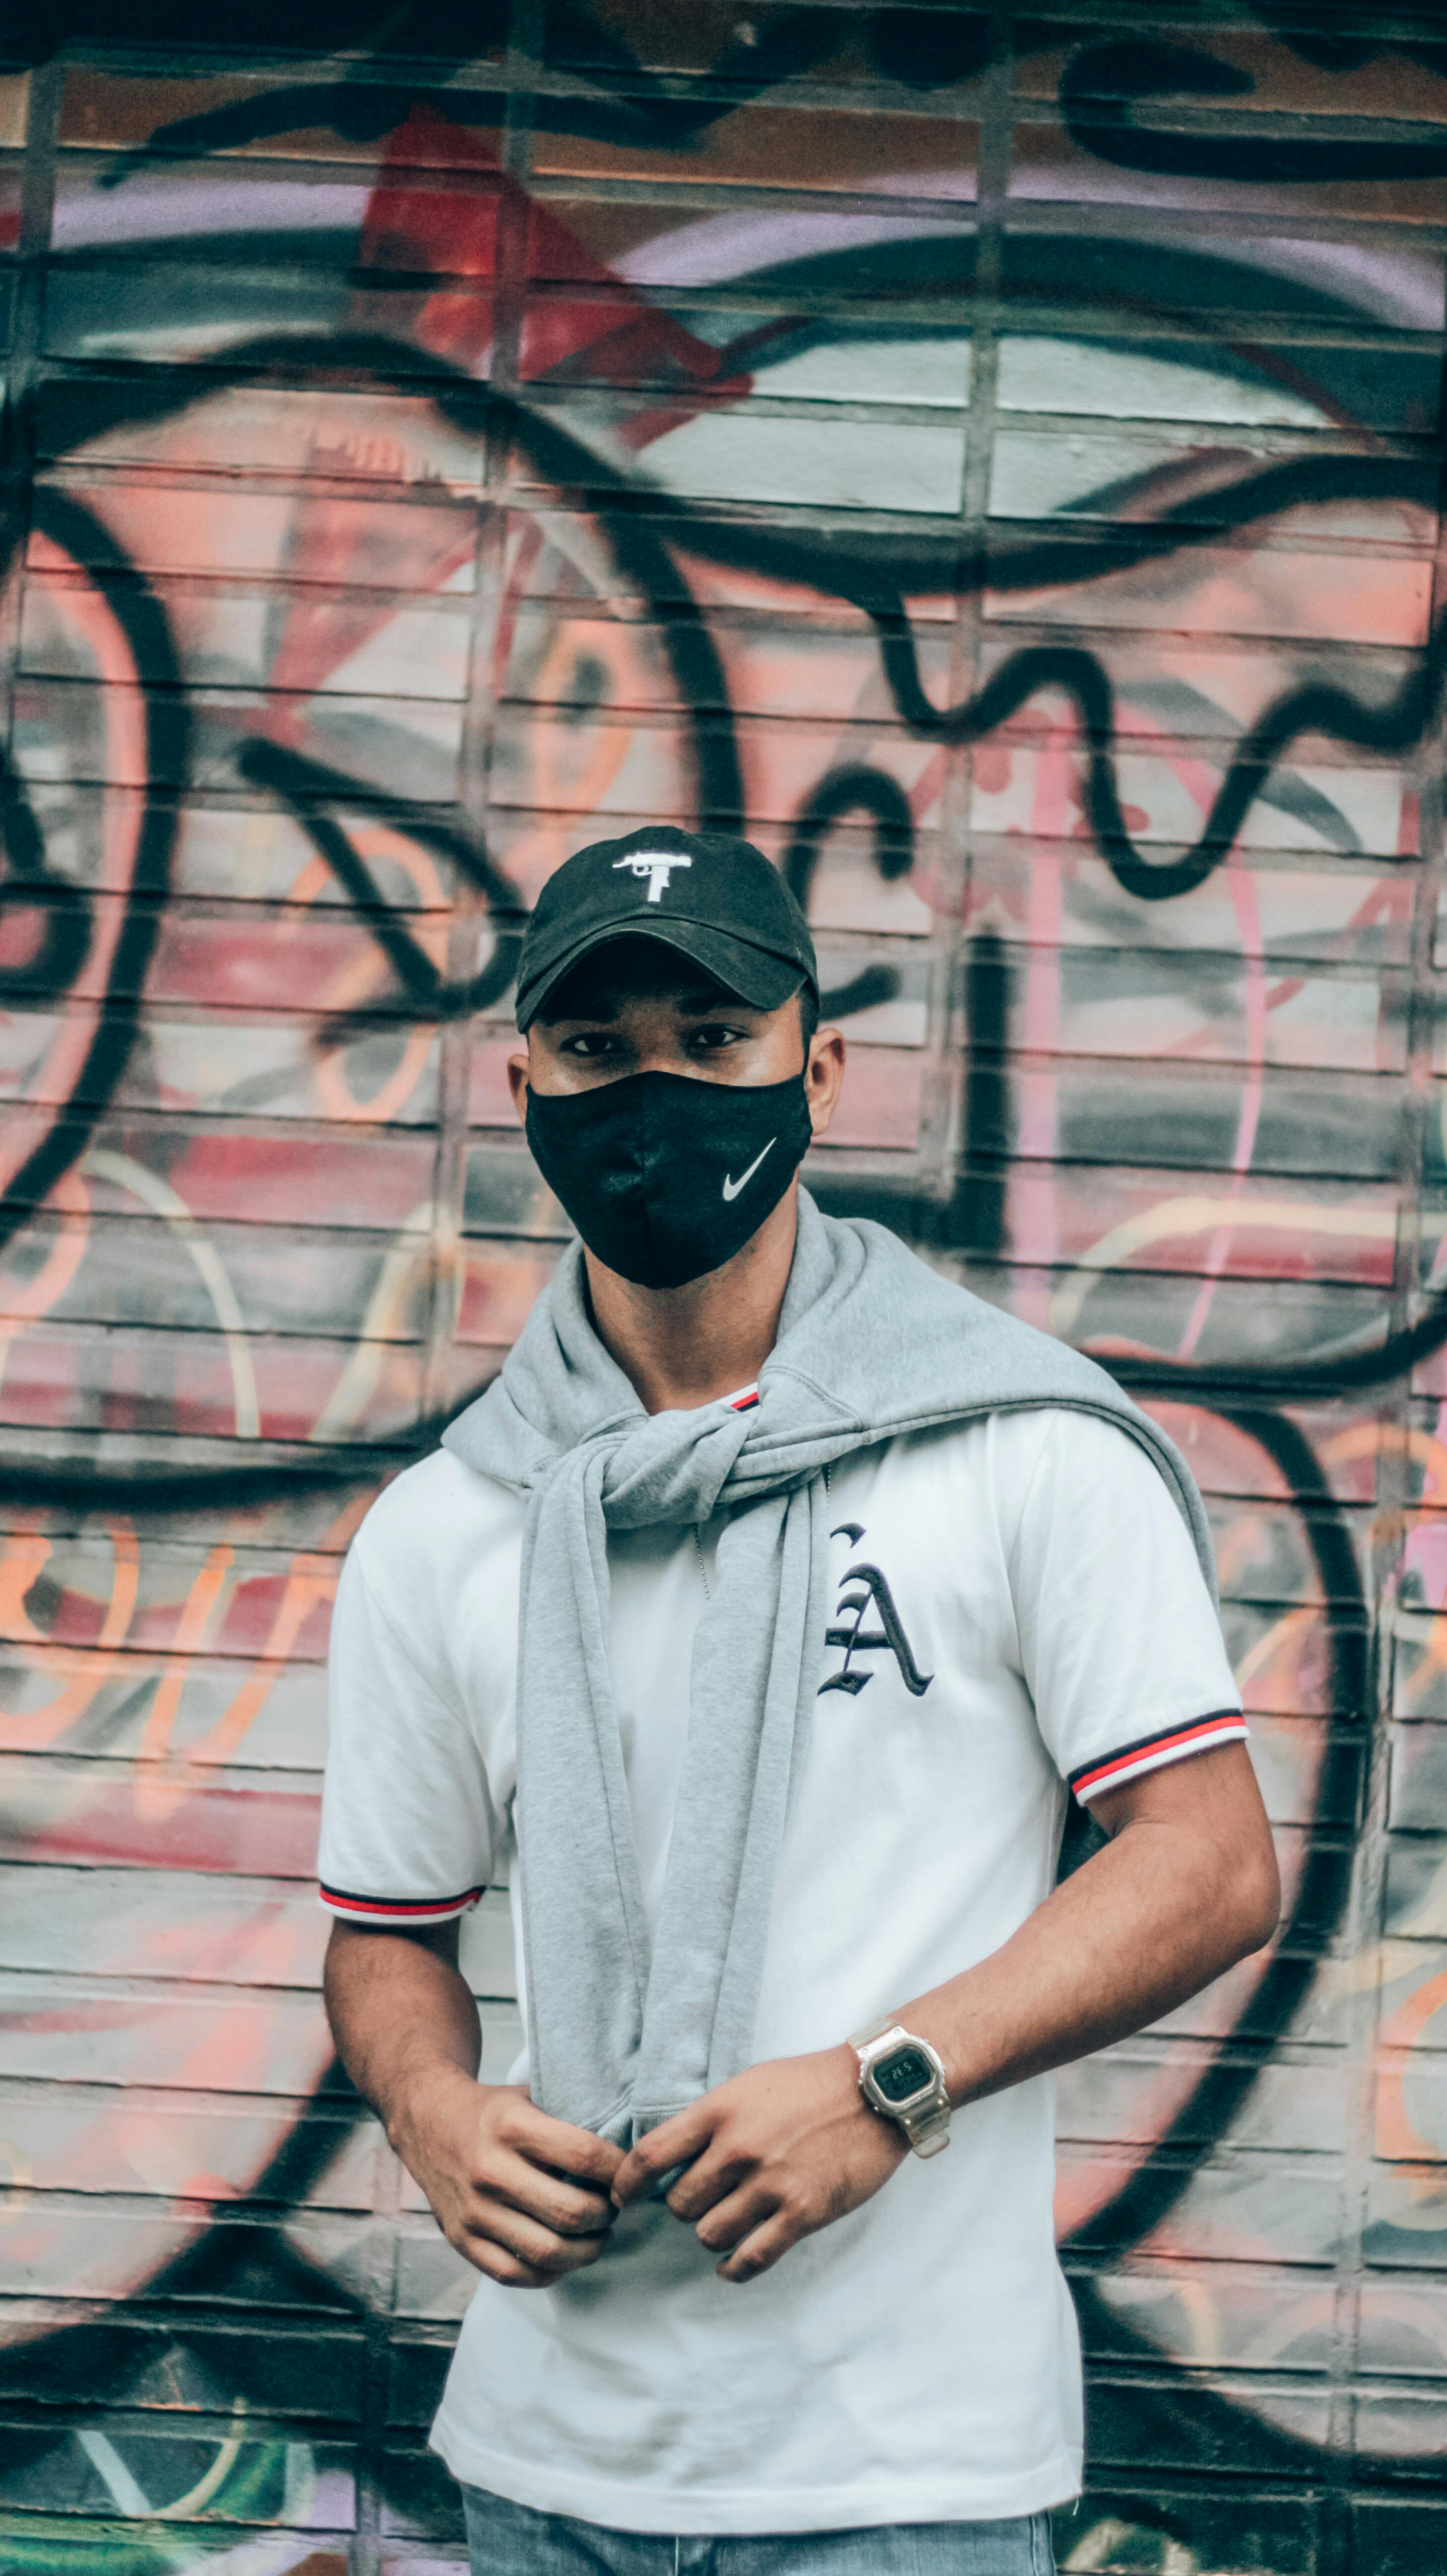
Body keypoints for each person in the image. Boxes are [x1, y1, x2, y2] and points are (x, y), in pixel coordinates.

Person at [319, 823, 1279, 2576]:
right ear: (521, 1084)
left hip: (902, 2481)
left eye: (715, 1039)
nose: (658, 1096)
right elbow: (388, 1935)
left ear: (819, 1071)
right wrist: (433, 2115)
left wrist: (889, 2082)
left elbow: (1208, 1861)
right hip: (545, 2465)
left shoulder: (1021, 1446)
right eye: (598, 1049)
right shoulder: (449, 1524)